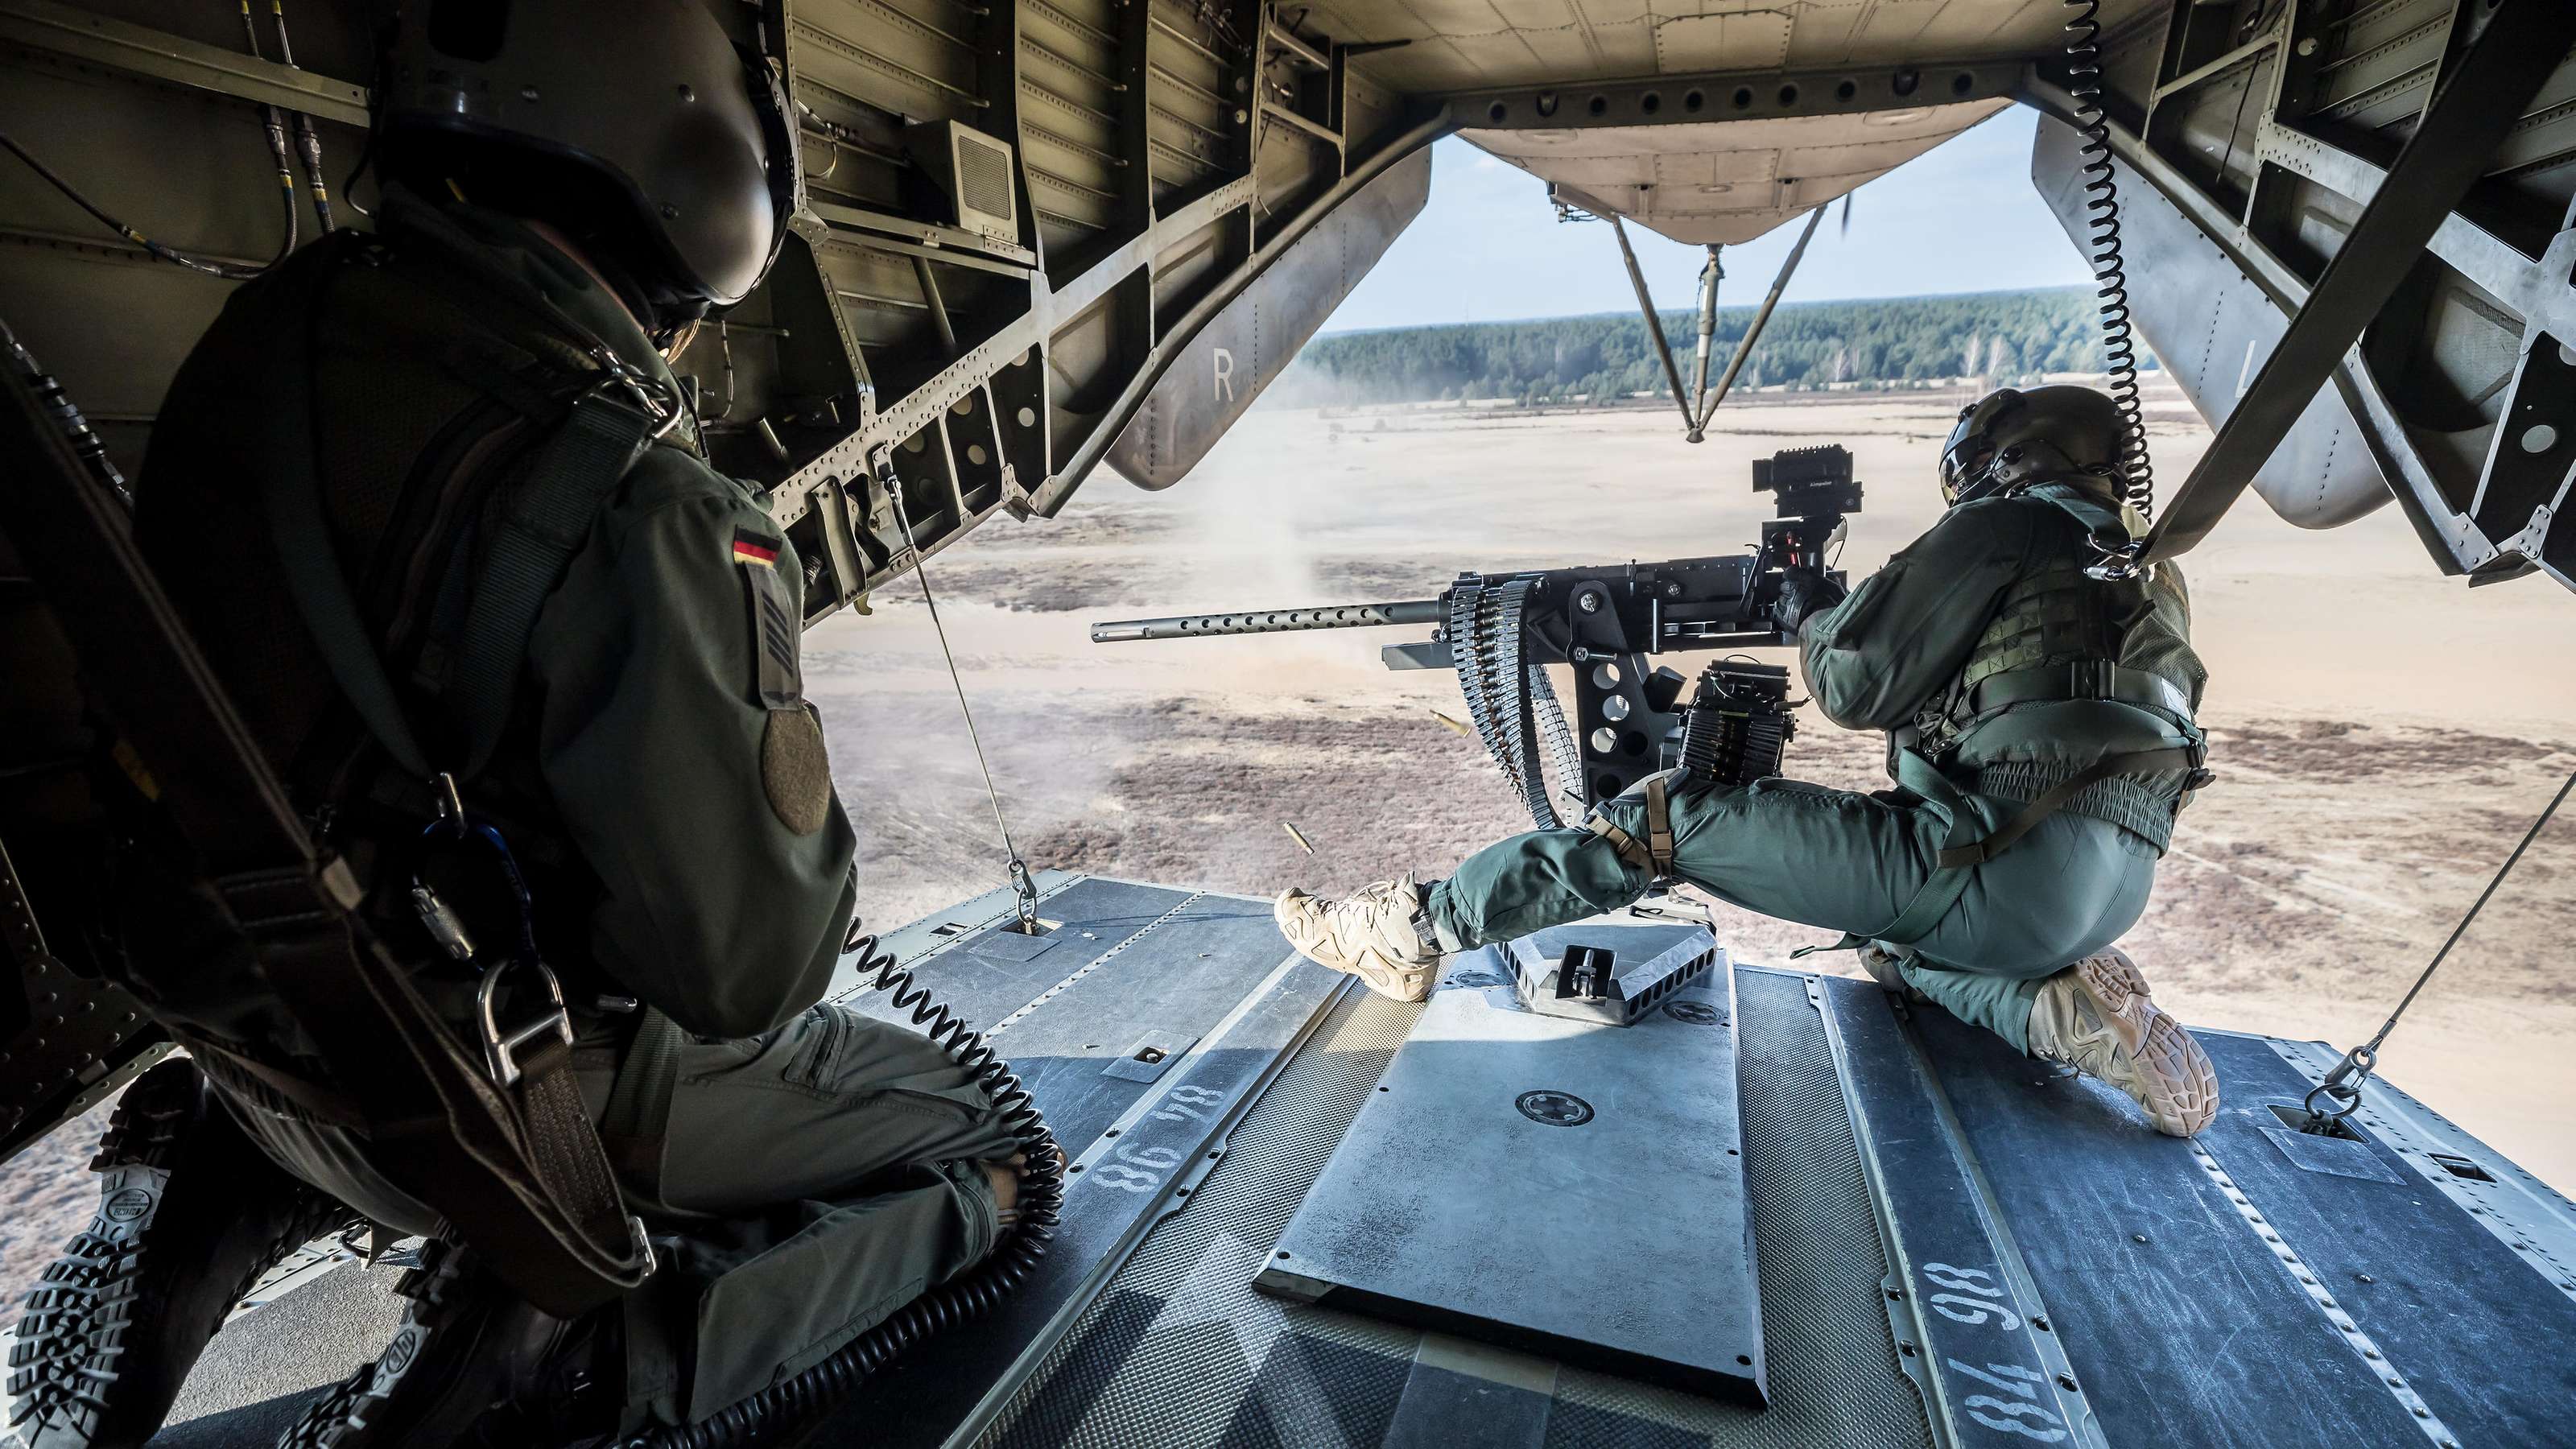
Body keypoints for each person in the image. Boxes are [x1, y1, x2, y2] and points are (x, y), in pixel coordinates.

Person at [6, 4, 1026, 1445]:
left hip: (268, 1042)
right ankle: (583, 1363)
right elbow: (750, 970)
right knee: (990, 1151)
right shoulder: (639, 495)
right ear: (700, 164)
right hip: (497, 1105)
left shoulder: (263, 342)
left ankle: (217, 1173)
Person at [1278, 386, 2223, 1138]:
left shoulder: (2008, 527)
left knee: (1665, 816)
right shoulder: (2145, 571)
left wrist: (1808, 613)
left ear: (2006, 459)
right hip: (2100, 889)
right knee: (1891, 936)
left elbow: (1854, 684)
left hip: (1995, 872)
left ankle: (1411, 934)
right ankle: (2067, 1018)